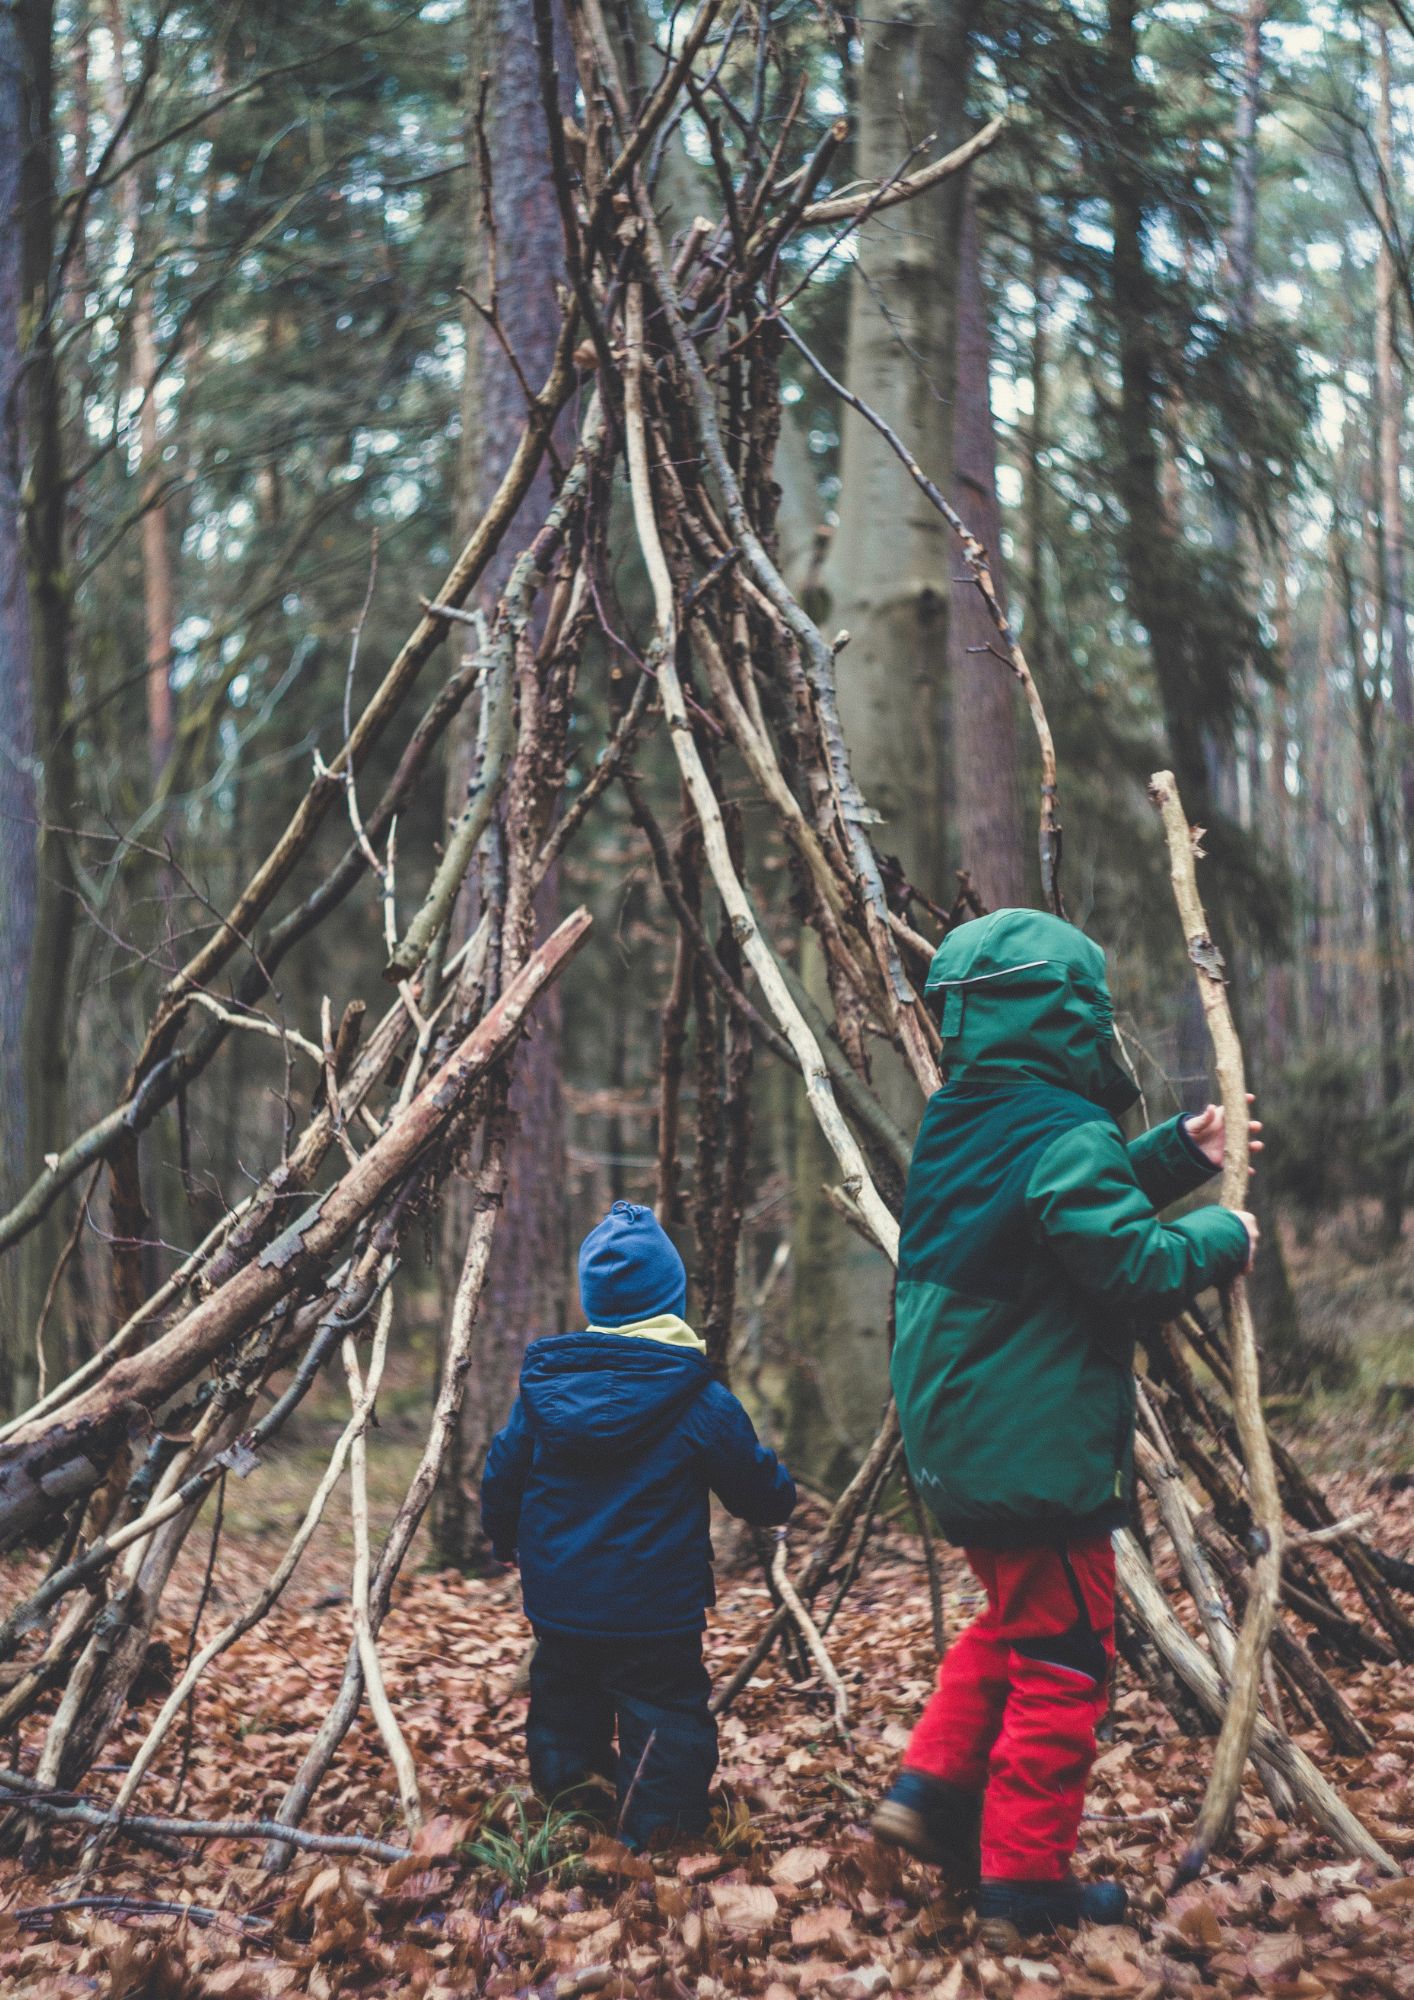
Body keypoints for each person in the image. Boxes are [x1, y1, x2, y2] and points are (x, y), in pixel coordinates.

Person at [871, 909, 1258, 1935]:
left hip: (959, 1443)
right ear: (1067, 1013)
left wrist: (1178, 1150)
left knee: (1013, 1621)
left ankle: (931, 1790)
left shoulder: (961, 1121)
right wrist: (1222, 1231)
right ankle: (1024, 1882)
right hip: (1030, 1449)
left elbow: (1065, 1207)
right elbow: (1127, 1264)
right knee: (1067, 1659)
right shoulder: (1062, 1129)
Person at [481, 1200, 796, 1849]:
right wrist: (778, 1497)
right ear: (672, 1299)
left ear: (595, 1300)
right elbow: (754, 1486)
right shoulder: (698, 1398)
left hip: (561, 1601)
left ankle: (570, 1815)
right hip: (657, 1610)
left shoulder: (546, 1393)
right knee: (664, 1716)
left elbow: (502, 1474)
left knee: (564, 1707)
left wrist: (503, 1538)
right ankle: (658, 1837)